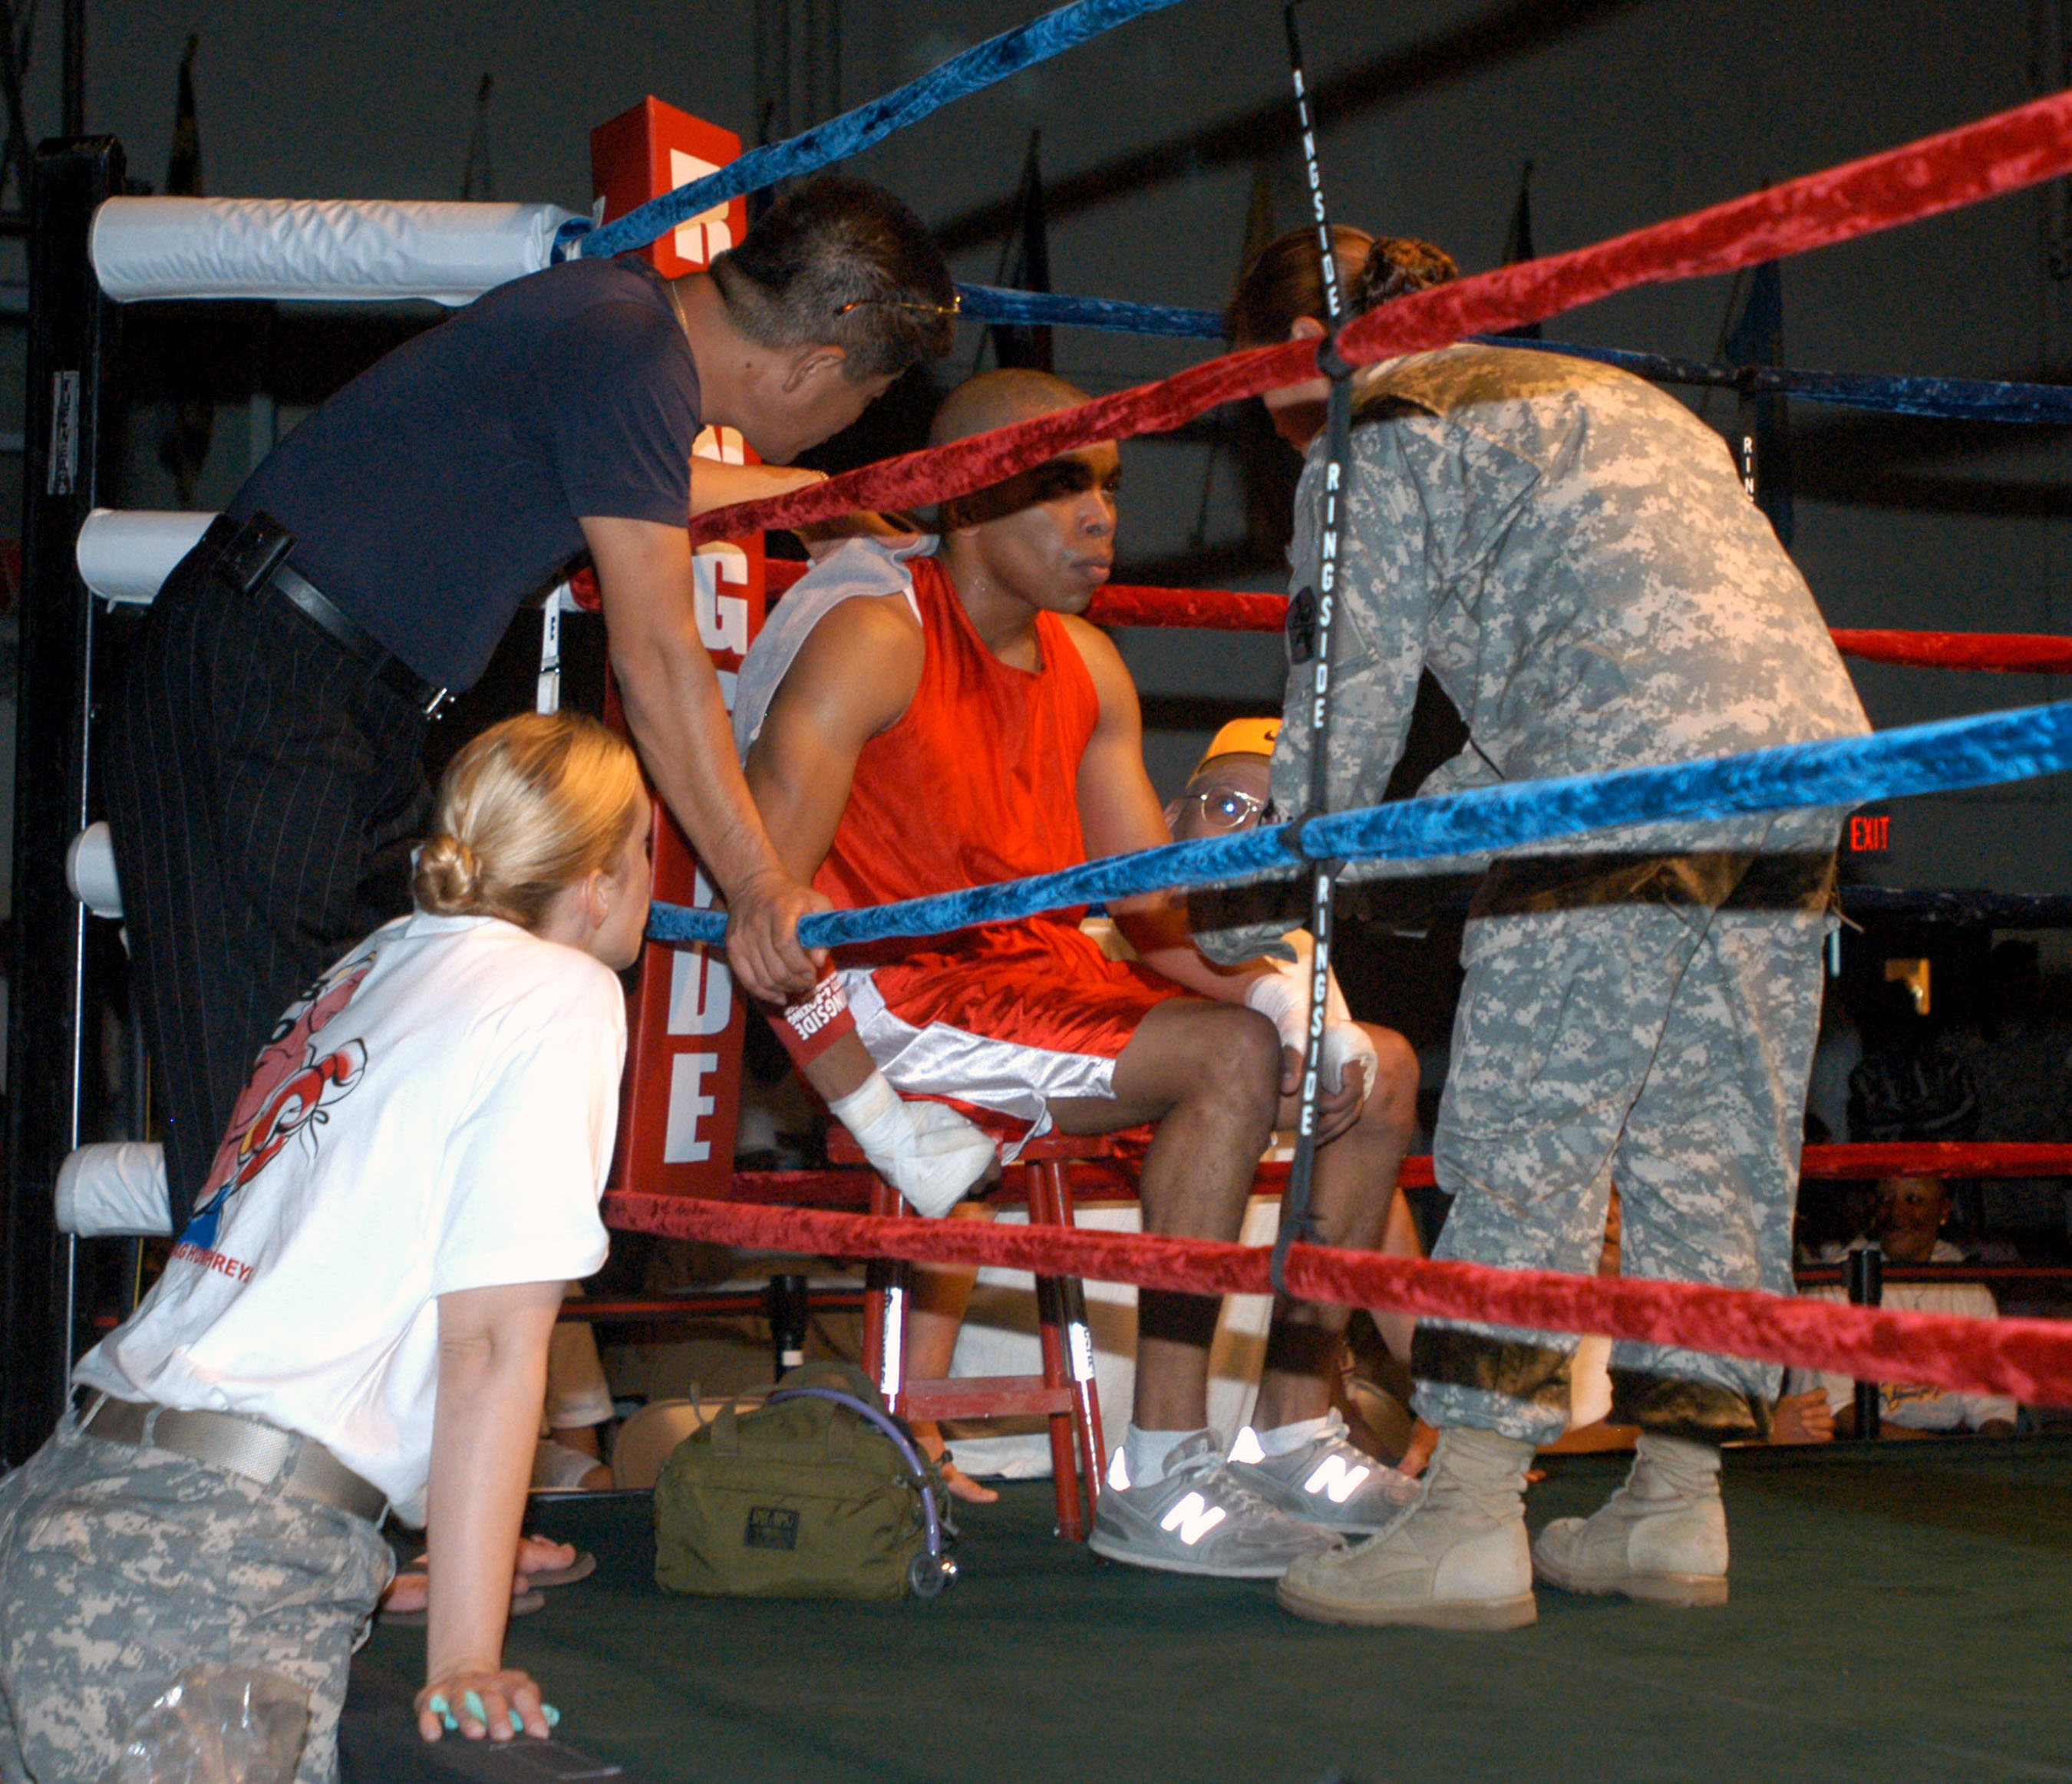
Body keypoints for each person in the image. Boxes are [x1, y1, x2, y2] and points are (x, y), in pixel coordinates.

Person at [1217, 229, 1871, 1628]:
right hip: (1804, 769)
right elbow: (1580, 682)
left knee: (1532, 1135)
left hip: (1615, 787)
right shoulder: (1611, 397)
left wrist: (1262, 881)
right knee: (1718, 1142)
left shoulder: (1369, 432)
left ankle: (1466, 1520)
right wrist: (1401, 848)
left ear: (1286, 363)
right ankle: (1678, 1509)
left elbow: (1344, 721)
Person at [105, 174, 956, 1230]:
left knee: (376, 1092)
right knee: (267, 1134)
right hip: (271, 688)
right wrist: (755, 883)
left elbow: (641, 477)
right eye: (862, 407)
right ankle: (224, 1386)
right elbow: (658, 657)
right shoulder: (625, 345)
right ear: (819, 366)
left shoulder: (624, 335)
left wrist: (817, 506)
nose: (846, 430)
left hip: (321, 702)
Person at [732, 368, 1423, 1578]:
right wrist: (869, 1106)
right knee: (1232, 1057)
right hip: (905, 994)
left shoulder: (1091, 663)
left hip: (1045, 980)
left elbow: (1148, 910)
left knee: (1378, 1066)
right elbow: (765, 922)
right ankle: (1160, 1471)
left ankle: (1296, 1425)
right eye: (1060, 486)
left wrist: (1275, 985)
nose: (1101, 518)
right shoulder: (873, 640)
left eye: (1106, 484)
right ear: (961, 502)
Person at [0, 712, 649, 1780]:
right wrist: (466, 1654)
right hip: (206, 1564)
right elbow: (489, 1340)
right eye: (643, 850)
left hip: (71, 1499)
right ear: (594, 881)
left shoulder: (378, 961)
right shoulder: (561, 993)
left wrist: (394, 1558)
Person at [1788, 1174, 2018, 1437]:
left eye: (1913, 1200)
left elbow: (1993, 1409)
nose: (1896, 1212)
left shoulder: (1967, 1289)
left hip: (1943, 1455)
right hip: (1857, 1458)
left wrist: (1988, 1461)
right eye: (1886, 1198)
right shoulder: (1836, 1284)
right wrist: (1940, 1459)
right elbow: (1836, 1411)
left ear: (1943, 1211)